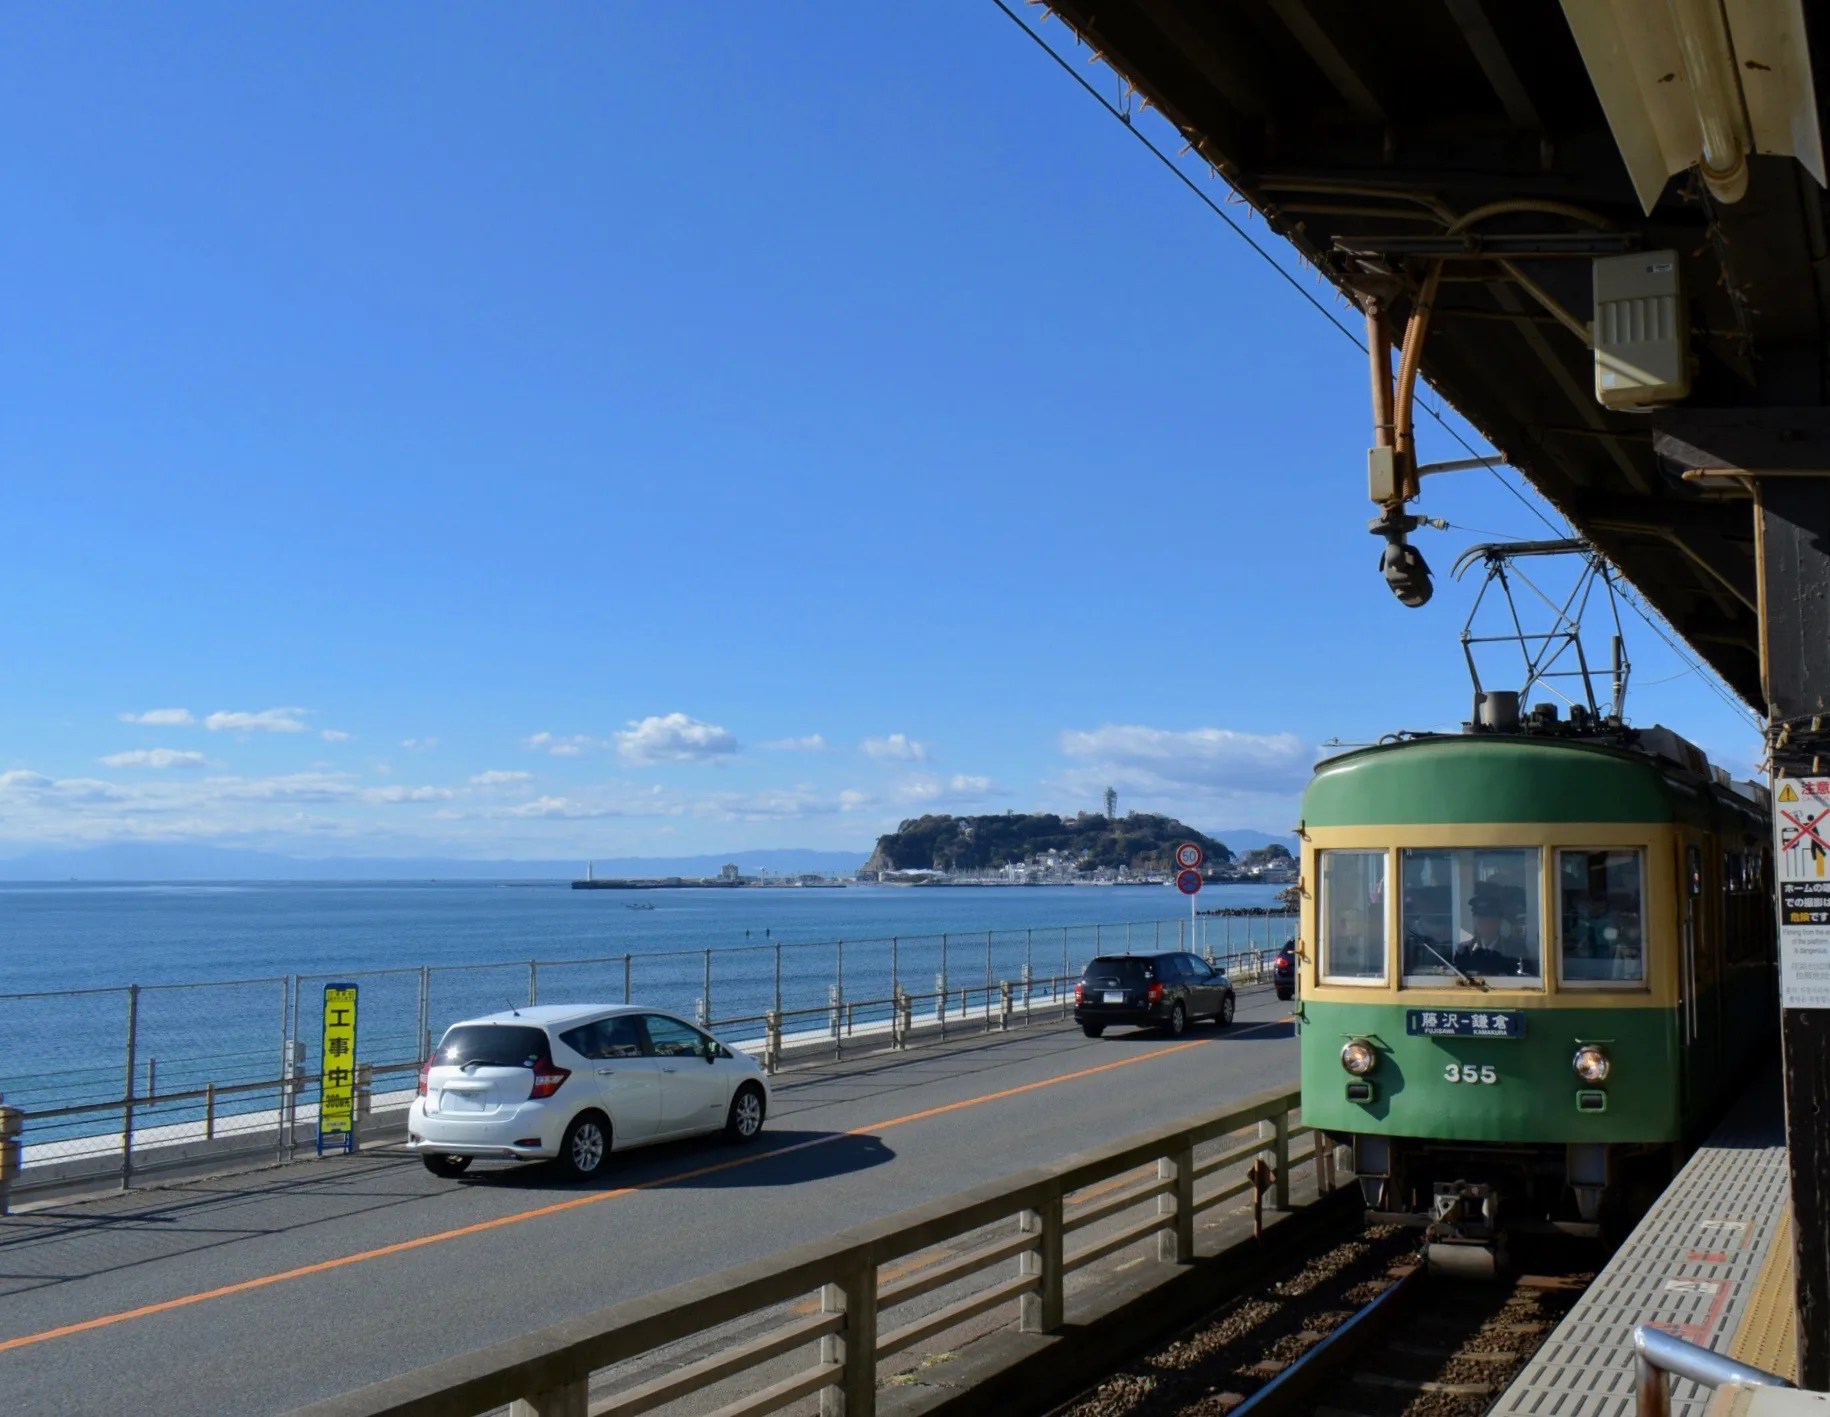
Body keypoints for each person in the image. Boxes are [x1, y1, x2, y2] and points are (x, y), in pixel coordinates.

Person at [1454, 894, 1523, 976]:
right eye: (1480, 917)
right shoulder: (1464, 950)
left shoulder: (1515, 950)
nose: (1484, 922)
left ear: (1499, 920)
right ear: (1474, 919)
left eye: (1489, 918)